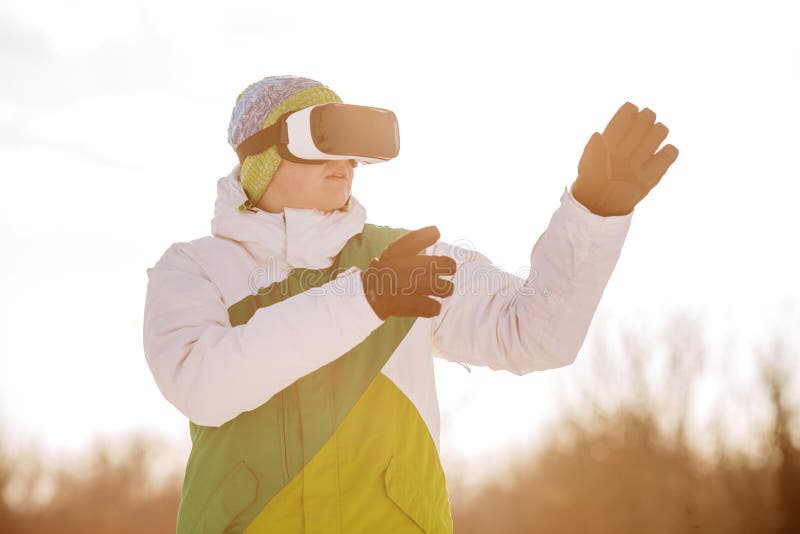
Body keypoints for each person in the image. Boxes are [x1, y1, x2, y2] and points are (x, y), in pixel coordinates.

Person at [142, 75, 678, 533]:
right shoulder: (193, 268)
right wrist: (365, 298)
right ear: (260, 158)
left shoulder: (408, 261)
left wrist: (592, 217)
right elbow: (204, 388)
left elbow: (534, 337)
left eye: (354, 148)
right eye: (323, 140)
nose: (345, 163)